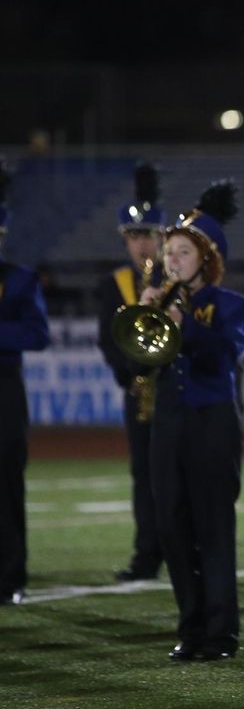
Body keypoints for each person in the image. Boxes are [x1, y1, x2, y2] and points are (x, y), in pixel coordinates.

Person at [145, 180, 244, 660]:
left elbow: (221, 354)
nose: (173, 261)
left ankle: (221, 632)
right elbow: (136, 363)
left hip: (212, 423)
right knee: (172, 525)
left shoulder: (233, 306)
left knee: (212, 527)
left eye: (183, 252)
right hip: (168, 423)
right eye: (170, 252)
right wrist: (148, 319)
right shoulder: (157, 303)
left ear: (206, 258)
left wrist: (181, 321)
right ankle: (190, 628)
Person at [96, 163, 165, 582]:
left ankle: (183, 551)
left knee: (178, 475)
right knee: (143, 476)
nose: (141, 244)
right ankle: (146, 556)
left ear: (161, 238)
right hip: (137, 392)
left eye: (148, 236)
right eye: (134, 236)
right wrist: (131, 376)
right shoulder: (115, 283)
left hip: (175, 392)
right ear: (125, 240)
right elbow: (107, 338)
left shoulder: (176, 278)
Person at [0, 164, 52, 607]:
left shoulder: (19, 278)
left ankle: (10, 576)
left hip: (4, 394)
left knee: (6, 486)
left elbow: (37, 334)